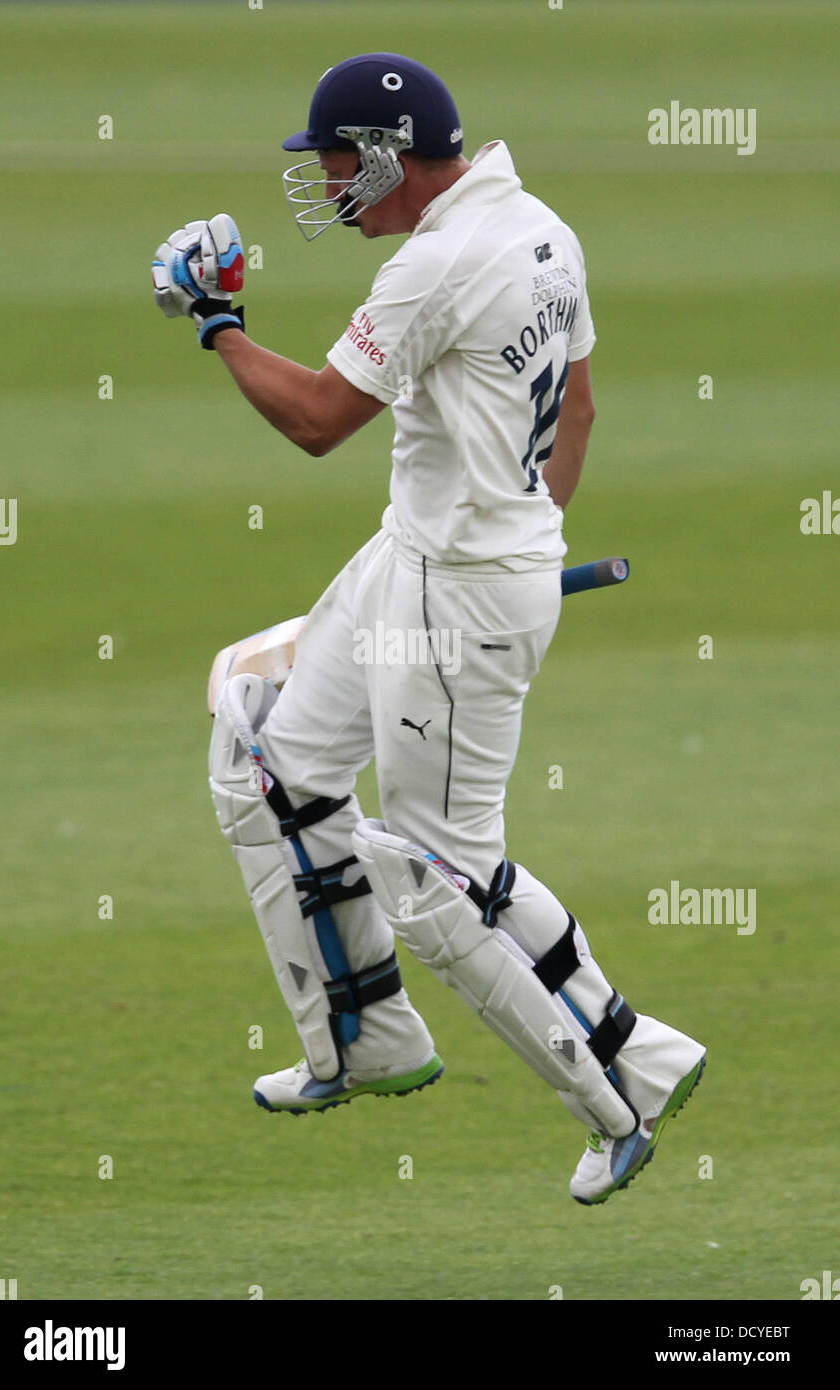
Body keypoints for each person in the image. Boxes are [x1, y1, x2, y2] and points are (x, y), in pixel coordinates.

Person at [152, 53, 705, 1204]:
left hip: (452, 593)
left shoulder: (437, 263)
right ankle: (360, 1042)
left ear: (393, 155)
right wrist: (524, 537)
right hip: (423, 556)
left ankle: (619, 1099)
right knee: (267, 760)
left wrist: (217, 323)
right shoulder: (542, 229)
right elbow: (581, 406)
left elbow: (314, 420)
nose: (331, 182)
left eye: (341, 160)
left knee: (433, 872)